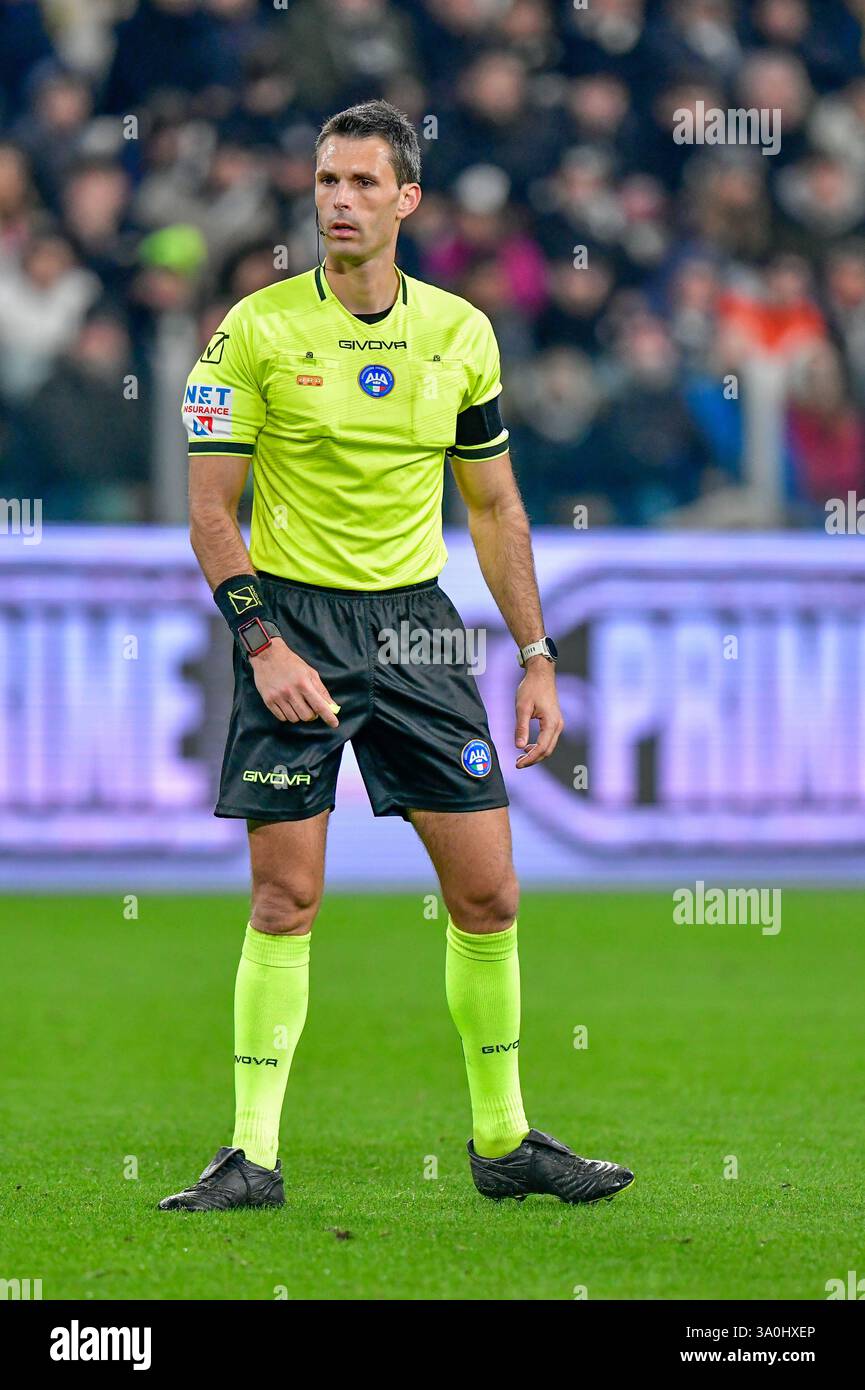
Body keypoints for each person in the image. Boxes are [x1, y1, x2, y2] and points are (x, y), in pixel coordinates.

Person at [158, 99, 634, 1212]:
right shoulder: (255, 331)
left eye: (364, 183)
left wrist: (534, 650)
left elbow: (496, 502)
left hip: (416, 629)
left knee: (490, 895)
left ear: (407, 200)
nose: (339, 201)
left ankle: (504, 1141)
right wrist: (261, 640)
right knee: (286, 897)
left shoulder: (463, 333)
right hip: (298, 623)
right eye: (327, 182)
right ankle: (251, 1155)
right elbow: (210, 515)